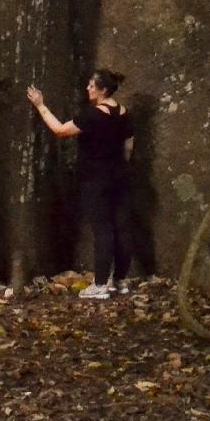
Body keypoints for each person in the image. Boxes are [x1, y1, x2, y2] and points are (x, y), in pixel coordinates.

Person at [27, 70, 134, 300]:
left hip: (97, 180)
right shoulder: (124, 114)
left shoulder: (93, 116)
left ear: (103, 90)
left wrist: (40, 105)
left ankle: (101, 284)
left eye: (91, 86)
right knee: (121, 228)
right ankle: (120, 281)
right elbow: (128, 146)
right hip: (120, 177)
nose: (87, 88)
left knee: (103, 230)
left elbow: (59, 130)